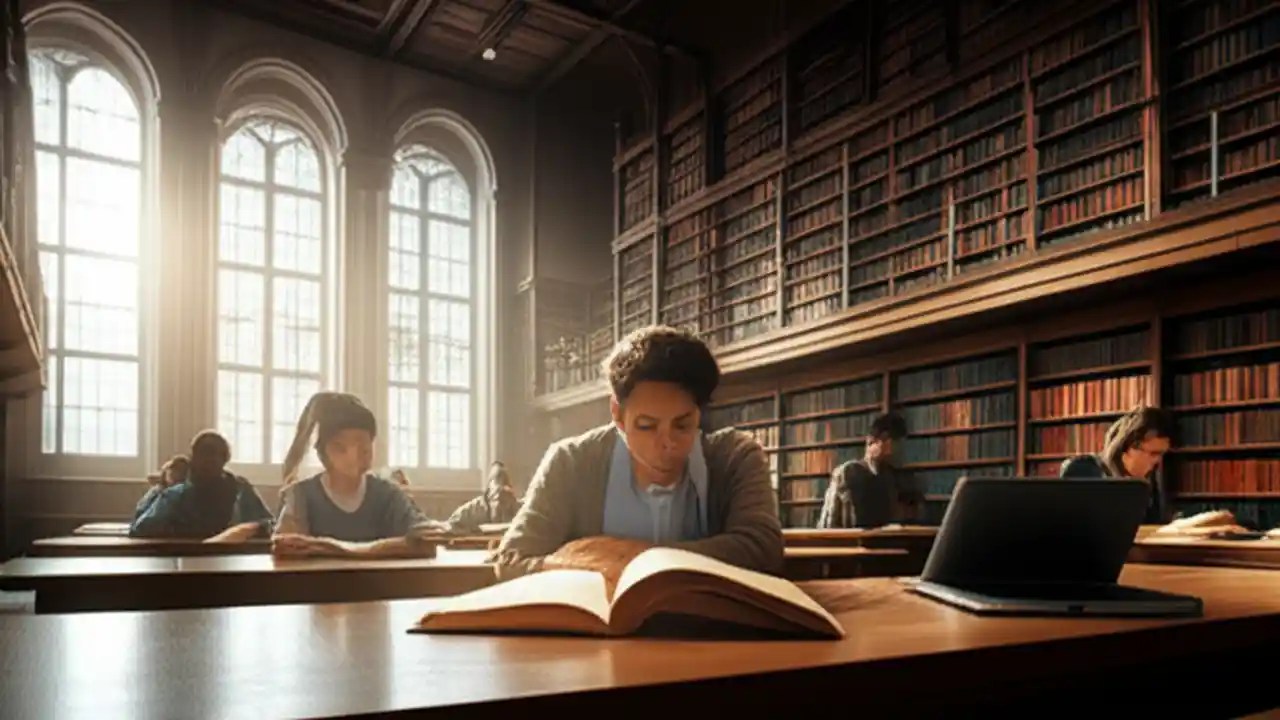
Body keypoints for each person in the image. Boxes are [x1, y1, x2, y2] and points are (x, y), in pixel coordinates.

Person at [492, 325, 783, 581]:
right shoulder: (570, 462)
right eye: (647, 426)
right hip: (594, 639)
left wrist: (626, 556)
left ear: (700, 413)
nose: (667, 442)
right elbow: (513, 558)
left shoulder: (736, 457)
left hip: (707, 637)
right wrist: (572, 562)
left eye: (683, 425)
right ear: (617, 414)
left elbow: (762, 549)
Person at [273, 392, 428, 554]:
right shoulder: (301, 495)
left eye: (363, 447)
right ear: (322, 452)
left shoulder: (389, 495)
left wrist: (338, 549)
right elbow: (286, 546)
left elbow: (424, 542)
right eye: (341, 447)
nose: (353, 456)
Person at [130, 432, 273, 541]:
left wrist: (250, 529)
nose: (209, 461)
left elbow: (269, 525)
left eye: (214, 455)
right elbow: (141, 529)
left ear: (224, 459)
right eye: (205, 454)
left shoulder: (241, 491)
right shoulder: (176, 496)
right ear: (193, 458)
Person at [1060, 405, 1177, 523]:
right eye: (1154, 454)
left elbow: (1152, 525)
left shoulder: (1151, 479)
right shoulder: (1082, 470)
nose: (1158, 461)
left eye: (1162, 454)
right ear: (1129, 447)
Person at [816, 412, 923, 529]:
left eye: (896, 443)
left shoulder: (893, 478)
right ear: (871, 441)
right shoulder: (846, 473)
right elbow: (828, 523)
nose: (891, 449)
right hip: (851, 543)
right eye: (886, 441)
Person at [447, 461, 521, 533]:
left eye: (505, 499)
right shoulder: (473, 509)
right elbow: (451, 524)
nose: (501, 505)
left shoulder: (517, 507)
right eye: (497, 499)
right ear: (489, 495)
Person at [133, 454, 189, 522]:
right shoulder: (157, 492)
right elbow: (140, 512)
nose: (177, 474)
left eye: (181, 471)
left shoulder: (187, 494)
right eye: (175, 470)